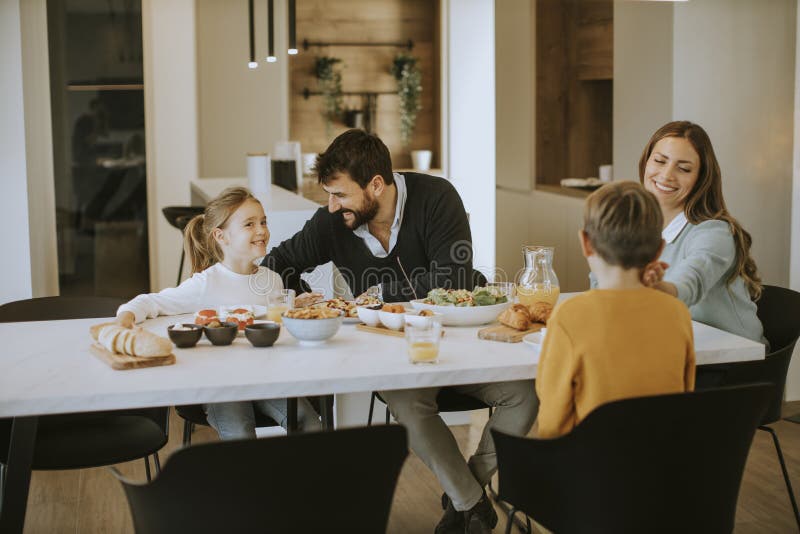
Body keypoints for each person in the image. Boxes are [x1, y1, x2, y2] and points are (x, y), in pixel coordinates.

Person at [263, 130, 536, 534]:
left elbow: (455, 278)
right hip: (394, 354)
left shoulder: (437, 198)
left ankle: (464, 490)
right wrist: (313, 305)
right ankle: (471, 502)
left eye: (339, 194)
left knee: (525, 395)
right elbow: (277, 264)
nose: (330, 205)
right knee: (407, 403)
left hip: (462, 342)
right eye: (328, 194)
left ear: (376, 184)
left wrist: (371, 296)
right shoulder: (332, 222)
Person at [115, 187, 321, 439]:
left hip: (265, 378)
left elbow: (272, 321)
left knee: (309, 422)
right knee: (239, 432)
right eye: (249, 224)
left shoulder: (273, 280)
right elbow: (151, 302)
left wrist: (294, 307)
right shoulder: (206, 283)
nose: (261, 230)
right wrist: (125, 318)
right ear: (221, 236)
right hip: (221, 382)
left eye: (263, 222)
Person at [537, 181, 695, 439]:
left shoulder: (569, 317)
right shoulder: (677, 313)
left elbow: (552, 422)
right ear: (659, 249)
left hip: (592, 468)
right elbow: (684, 395)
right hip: (662, 467)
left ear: (586, 243)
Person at [639, 121, 765, 344]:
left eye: (684, 168)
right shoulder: (639, 227)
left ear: (701, 178)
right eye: (659, 161)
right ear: (646, 162)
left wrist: (660, 290)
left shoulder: (714, 232)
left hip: (735, 363)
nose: (666, 175)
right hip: (679, 347)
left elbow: (693, 278)